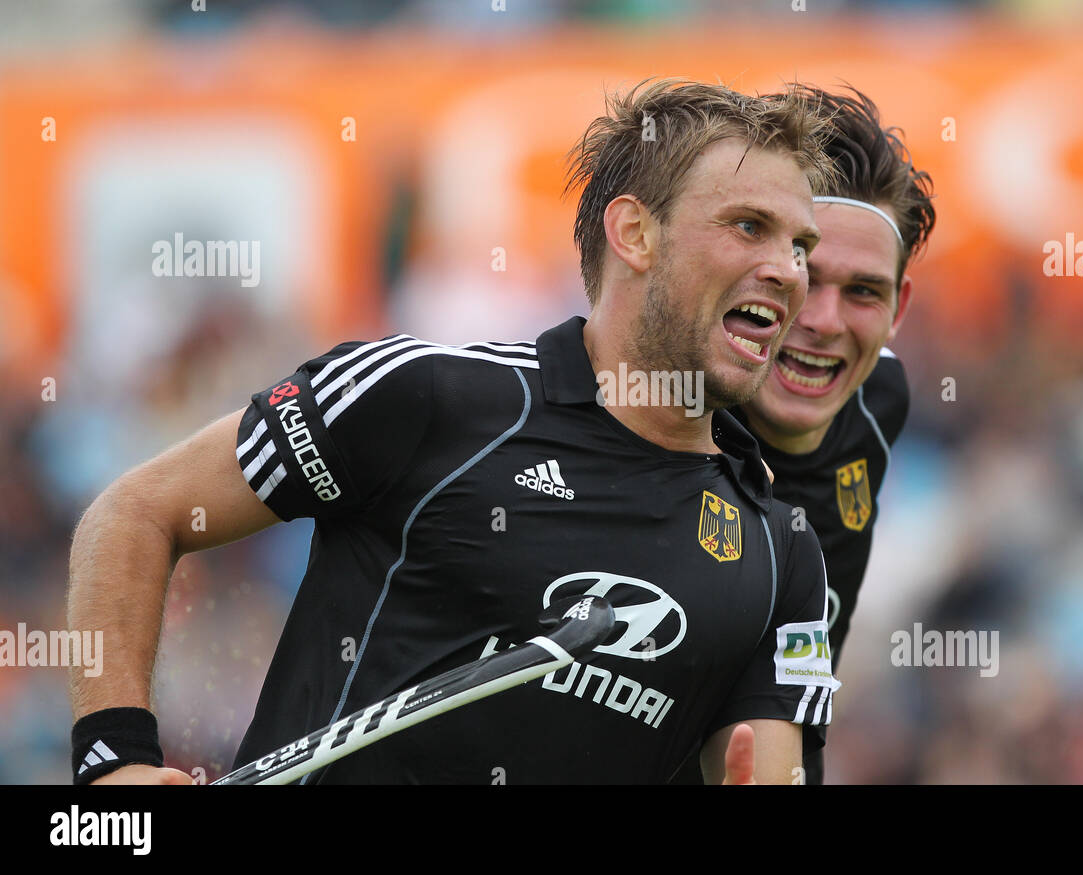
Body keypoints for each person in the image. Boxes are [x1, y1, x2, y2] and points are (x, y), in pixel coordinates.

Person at [66, 79, 843, 785]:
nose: (790, 271)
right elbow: (135, 513)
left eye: (801, 246)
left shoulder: (778, 553)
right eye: (749, 227)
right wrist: (115, 763)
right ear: (635, 234)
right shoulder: (425, 396)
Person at [736, 84, 935, 784]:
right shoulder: (663, 420)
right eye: (803, 275)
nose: (823, 318)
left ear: (897, 307)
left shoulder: (881, 401)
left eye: (862, 291)